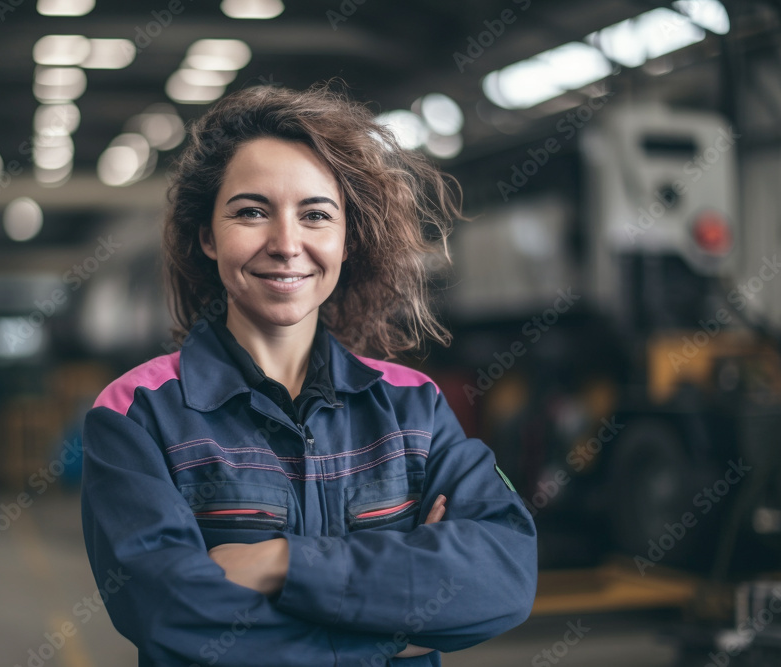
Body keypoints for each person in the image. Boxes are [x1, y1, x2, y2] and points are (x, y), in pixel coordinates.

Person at [81, 82, 537, 666]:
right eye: (251, 212)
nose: (286, 243)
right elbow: (169, 612)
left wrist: (280, 564)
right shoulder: (137, 414)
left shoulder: (413, 409)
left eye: (316, 215)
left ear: (347, 240)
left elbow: (503, 574)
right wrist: (393, 633)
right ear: (207, 237)